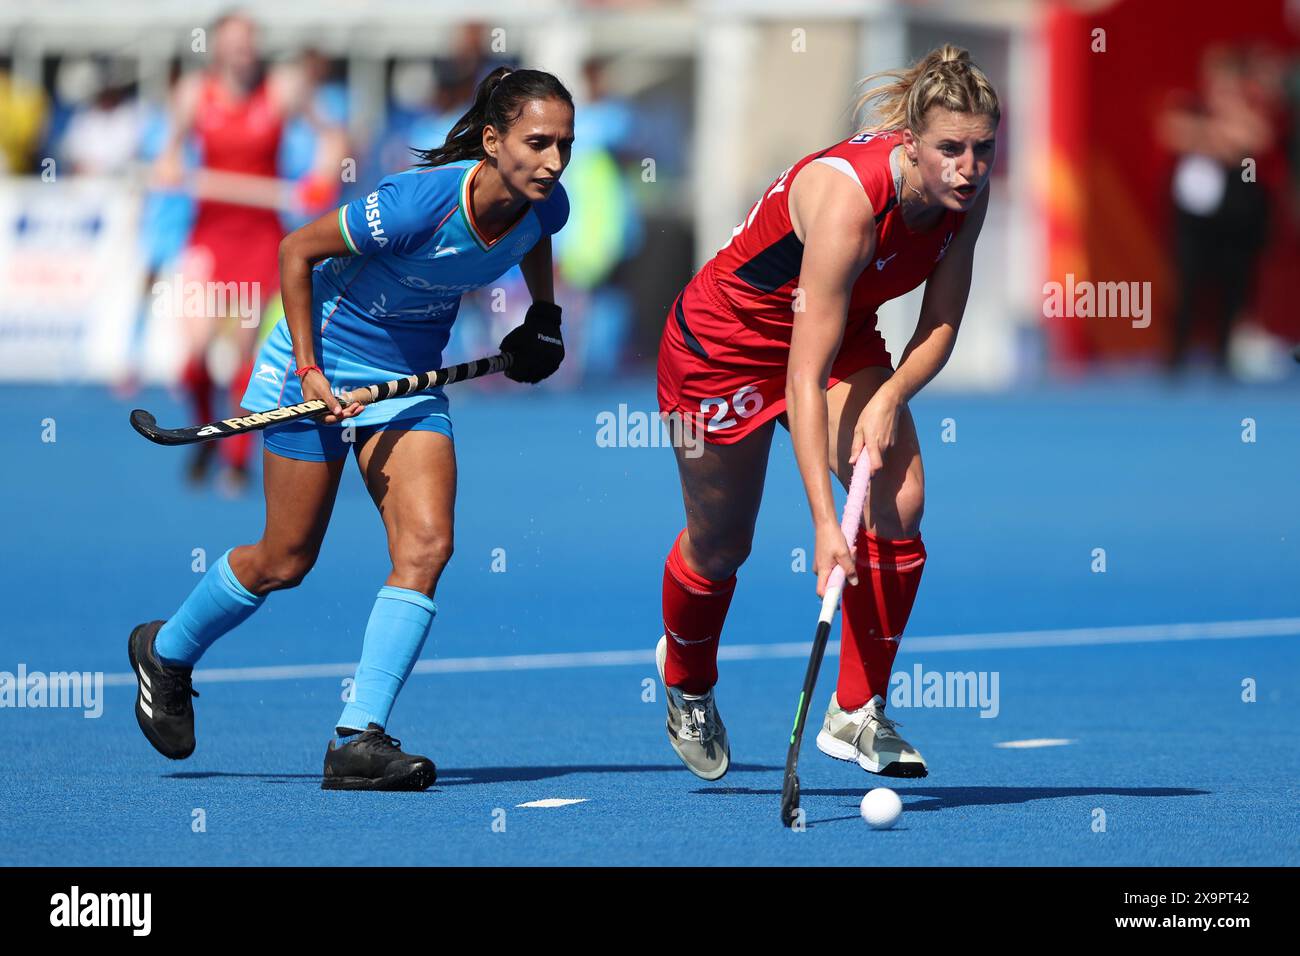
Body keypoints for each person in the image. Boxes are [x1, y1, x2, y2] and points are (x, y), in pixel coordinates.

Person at [128, 66, 573, 791]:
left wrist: (544, 316)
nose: (553, 161)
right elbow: (296, 252)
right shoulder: (414, 205)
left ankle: (356, 737)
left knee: (428, 545)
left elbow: (538, 239)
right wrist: (309, 372)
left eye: (564, 144)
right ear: (493, 142)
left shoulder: (542, 204)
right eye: (537, 142)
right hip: (317, 368)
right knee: (285, 559)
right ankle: (166, 649)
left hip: (405, 385)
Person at [654, 45, 998, 781]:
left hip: (840, 337)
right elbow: (798, 378)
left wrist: (892, 398)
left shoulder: (969, 193)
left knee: (900, 500)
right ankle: (687, 680)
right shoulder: (849, 204)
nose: (969, 167)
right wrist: (821, 520)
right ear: (910, 142)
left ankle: (856, 711)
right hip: (724, 348)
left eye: (982, 149)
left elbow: (940, 322)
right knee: (721, 547)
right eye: (950, 150)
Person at [155, 11, 343, 493]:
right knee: (194, 355)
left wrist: (321, 178)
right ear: (217, 47)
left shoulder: (282, 88)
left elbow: (334, 137)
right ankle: (205, 433)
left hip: (259, 237)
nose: (243, 50)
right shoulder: (194, 93)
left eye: (249, 41)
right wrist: (171, 167)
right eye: (233, 42)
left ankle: (236, 459)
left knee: (240, 349)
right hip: (209, 236)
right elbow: (168, 155)